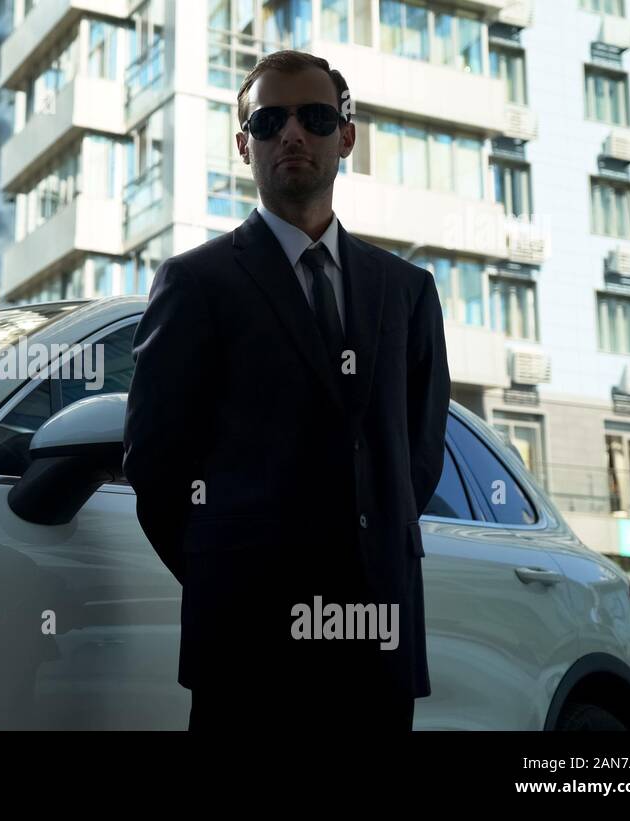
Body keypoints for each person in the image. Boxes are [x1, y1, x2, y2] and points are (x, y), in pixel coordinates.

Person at [122, 50, 451, 733]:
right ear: (244, 145)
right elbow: (157, 464)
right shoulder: (196, 284)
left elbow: (417, 455)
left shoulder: (406, 291)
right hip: (247, 653)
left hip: (376, 644)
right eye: (270, 121)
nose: (292, 134)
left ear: (347, 135)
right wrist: (230, 577)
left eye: (316, 117)